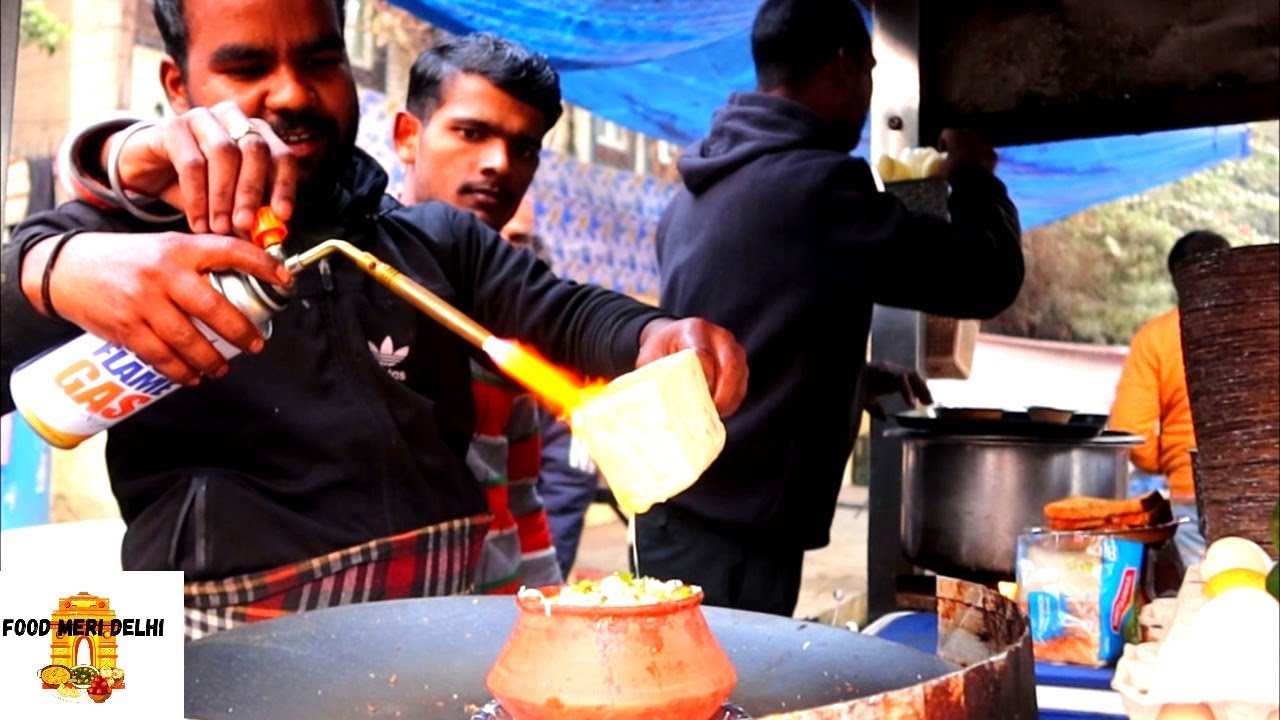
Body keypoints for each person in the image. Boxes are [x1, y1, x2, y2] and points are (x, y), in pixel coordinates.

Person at [0, 0, 747, 639]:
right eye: (247, 67)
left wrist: (653, 336)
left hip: (436, 627)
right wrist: (54, 271)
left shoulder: (435, 241)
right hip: (224, 638)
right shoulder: (132, 250)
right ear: (178, 84)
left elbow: (568, 312)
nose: (291, 94)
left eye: (321, 61)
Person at [643, 0, 1024, 616]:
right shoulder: (818, 187)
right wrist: (977, 177)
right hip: (733, 534)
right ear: (846, 68)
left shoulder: (699, 190)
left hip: (686, 513)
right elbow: (985, 278)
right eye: (871, 71)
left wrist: (854, 379)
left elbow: (747, 338)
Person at [391, 33, 564, 592]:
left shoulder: (515, 312)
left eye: (525, 148)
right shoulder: (350, 280)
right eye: (472, 133)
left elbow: (520, 494)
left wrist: (553, 618)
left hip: (495, 632)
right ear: (407, 137)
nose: (499, 164)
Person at [1110, 229, 1230, 565]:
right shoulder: (1261, 325)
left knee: (1205, 594)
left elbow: (1130, 433)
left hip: (1194, 492)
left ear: (1176, 278)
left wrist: (1171, 459)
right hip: (1266, 490)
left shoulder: (1157, 337)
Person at [499, 197, 603, 577]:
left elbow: (568, 476)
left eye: (519, 237)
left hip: (516, 582)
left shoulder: (552, 339)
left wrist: (541, 582)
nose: (501, 245)